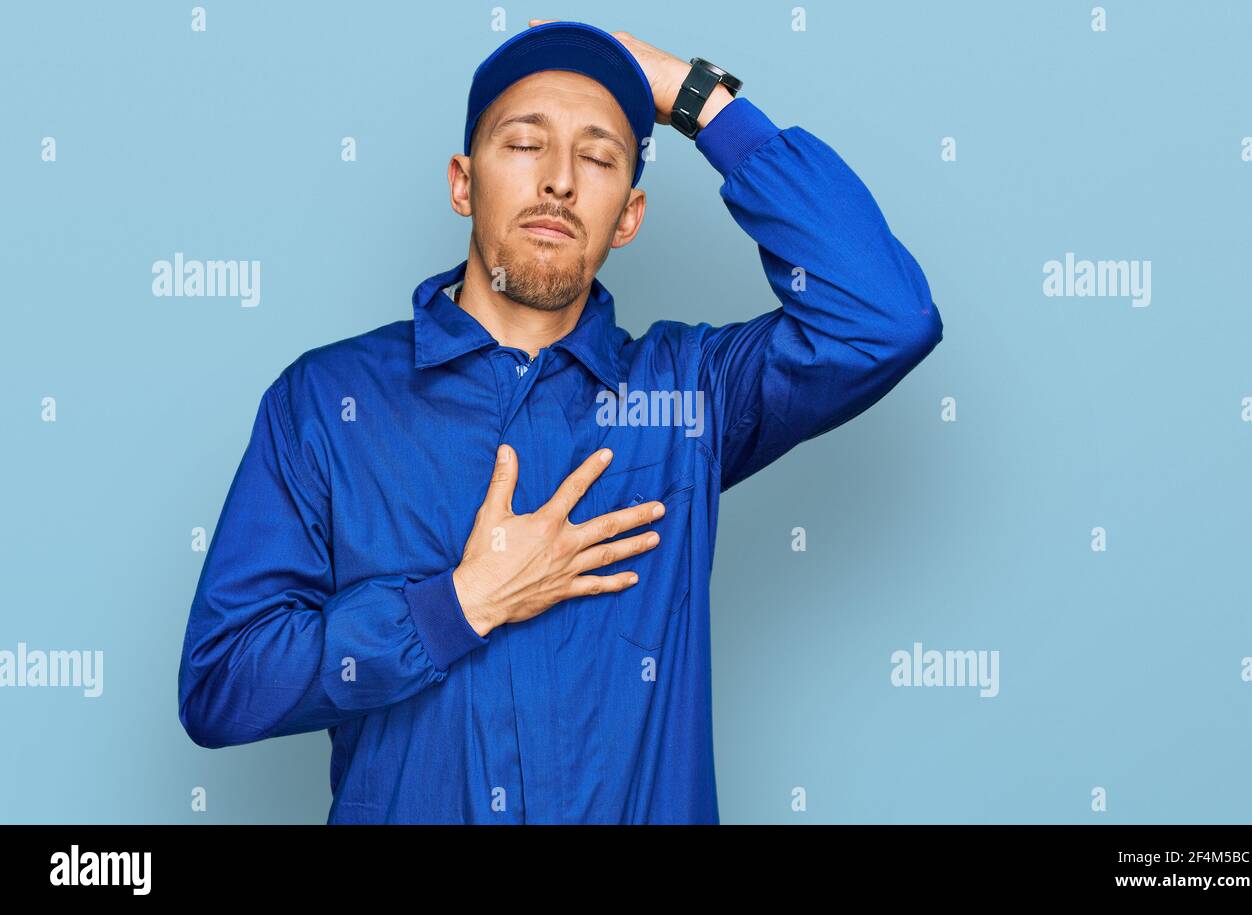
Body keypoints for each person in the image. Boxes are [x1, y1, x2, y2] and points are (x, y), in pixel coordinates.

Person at [177, 20, 943, 824]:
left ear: (629, 216)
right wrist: (457, 606)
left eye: (599, 156)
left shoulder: (690, 397)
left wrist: (696, 98)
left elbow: (884, 317)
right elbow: (223, 686)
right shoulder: (325, 403)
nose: (560, 181)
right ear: (462, 185)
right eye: (525, 145)